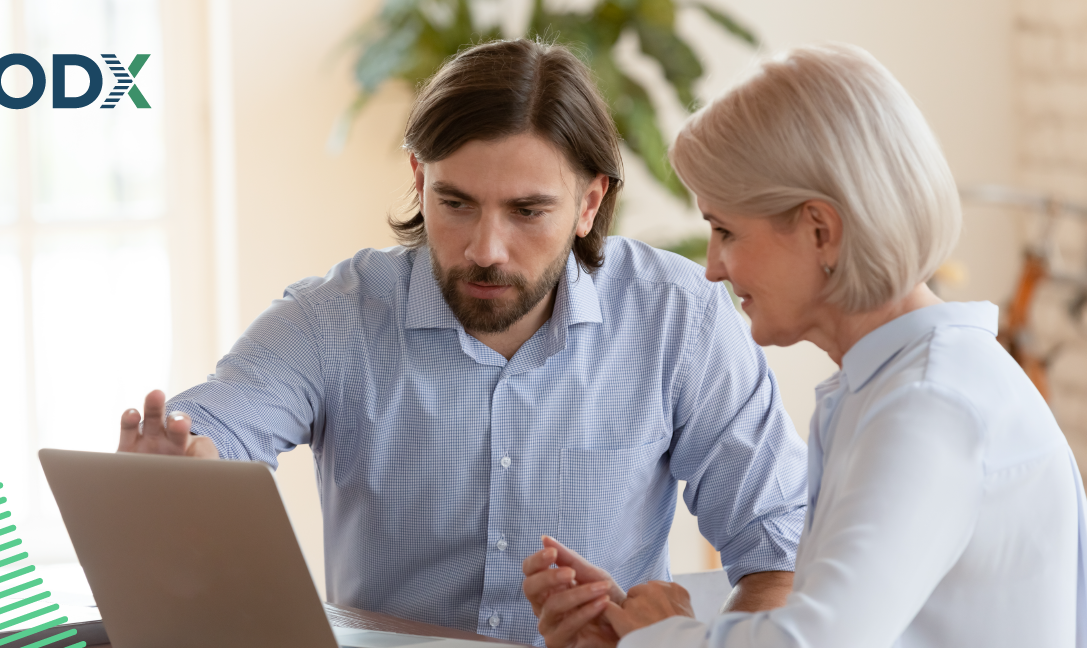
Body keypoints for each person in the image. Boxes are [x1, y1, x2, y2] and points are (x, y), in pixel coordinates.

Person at [116, 38, 809, 646]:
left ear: (589, 203)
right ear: (419, 180)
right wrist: (179, 467)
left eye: (528, 211)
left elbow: (779, 550)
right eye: (455, 203)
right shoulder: (333, 318)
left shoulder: (677, 315)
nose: (485, 249)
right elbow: (218, 429)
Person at [523, 43, 1087, 648]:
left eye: (726, 231)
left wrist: (665, 637)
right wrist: (636, 631)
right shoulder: (895, 386)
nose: (713, 267)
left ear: (821, 231)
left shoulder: (929, 405)